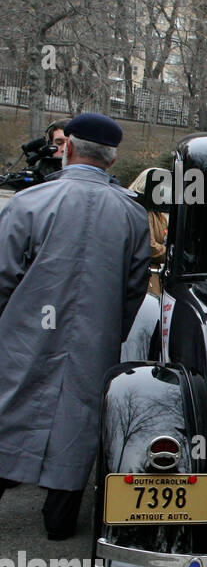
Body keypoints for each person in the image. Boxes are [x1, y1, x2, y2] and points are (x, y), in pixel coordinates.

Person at [0, 112, 150, 540]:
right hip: (94, 334)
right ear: (112, 158)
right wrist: (112, 331)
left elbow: (3, 274)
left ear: (66, 148)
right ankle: (59, 517)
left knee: (11, 404)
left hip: (25, 330)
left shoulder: (29, 202)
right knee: (79, 416)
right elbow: (133, 289)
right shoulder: (132, 215)